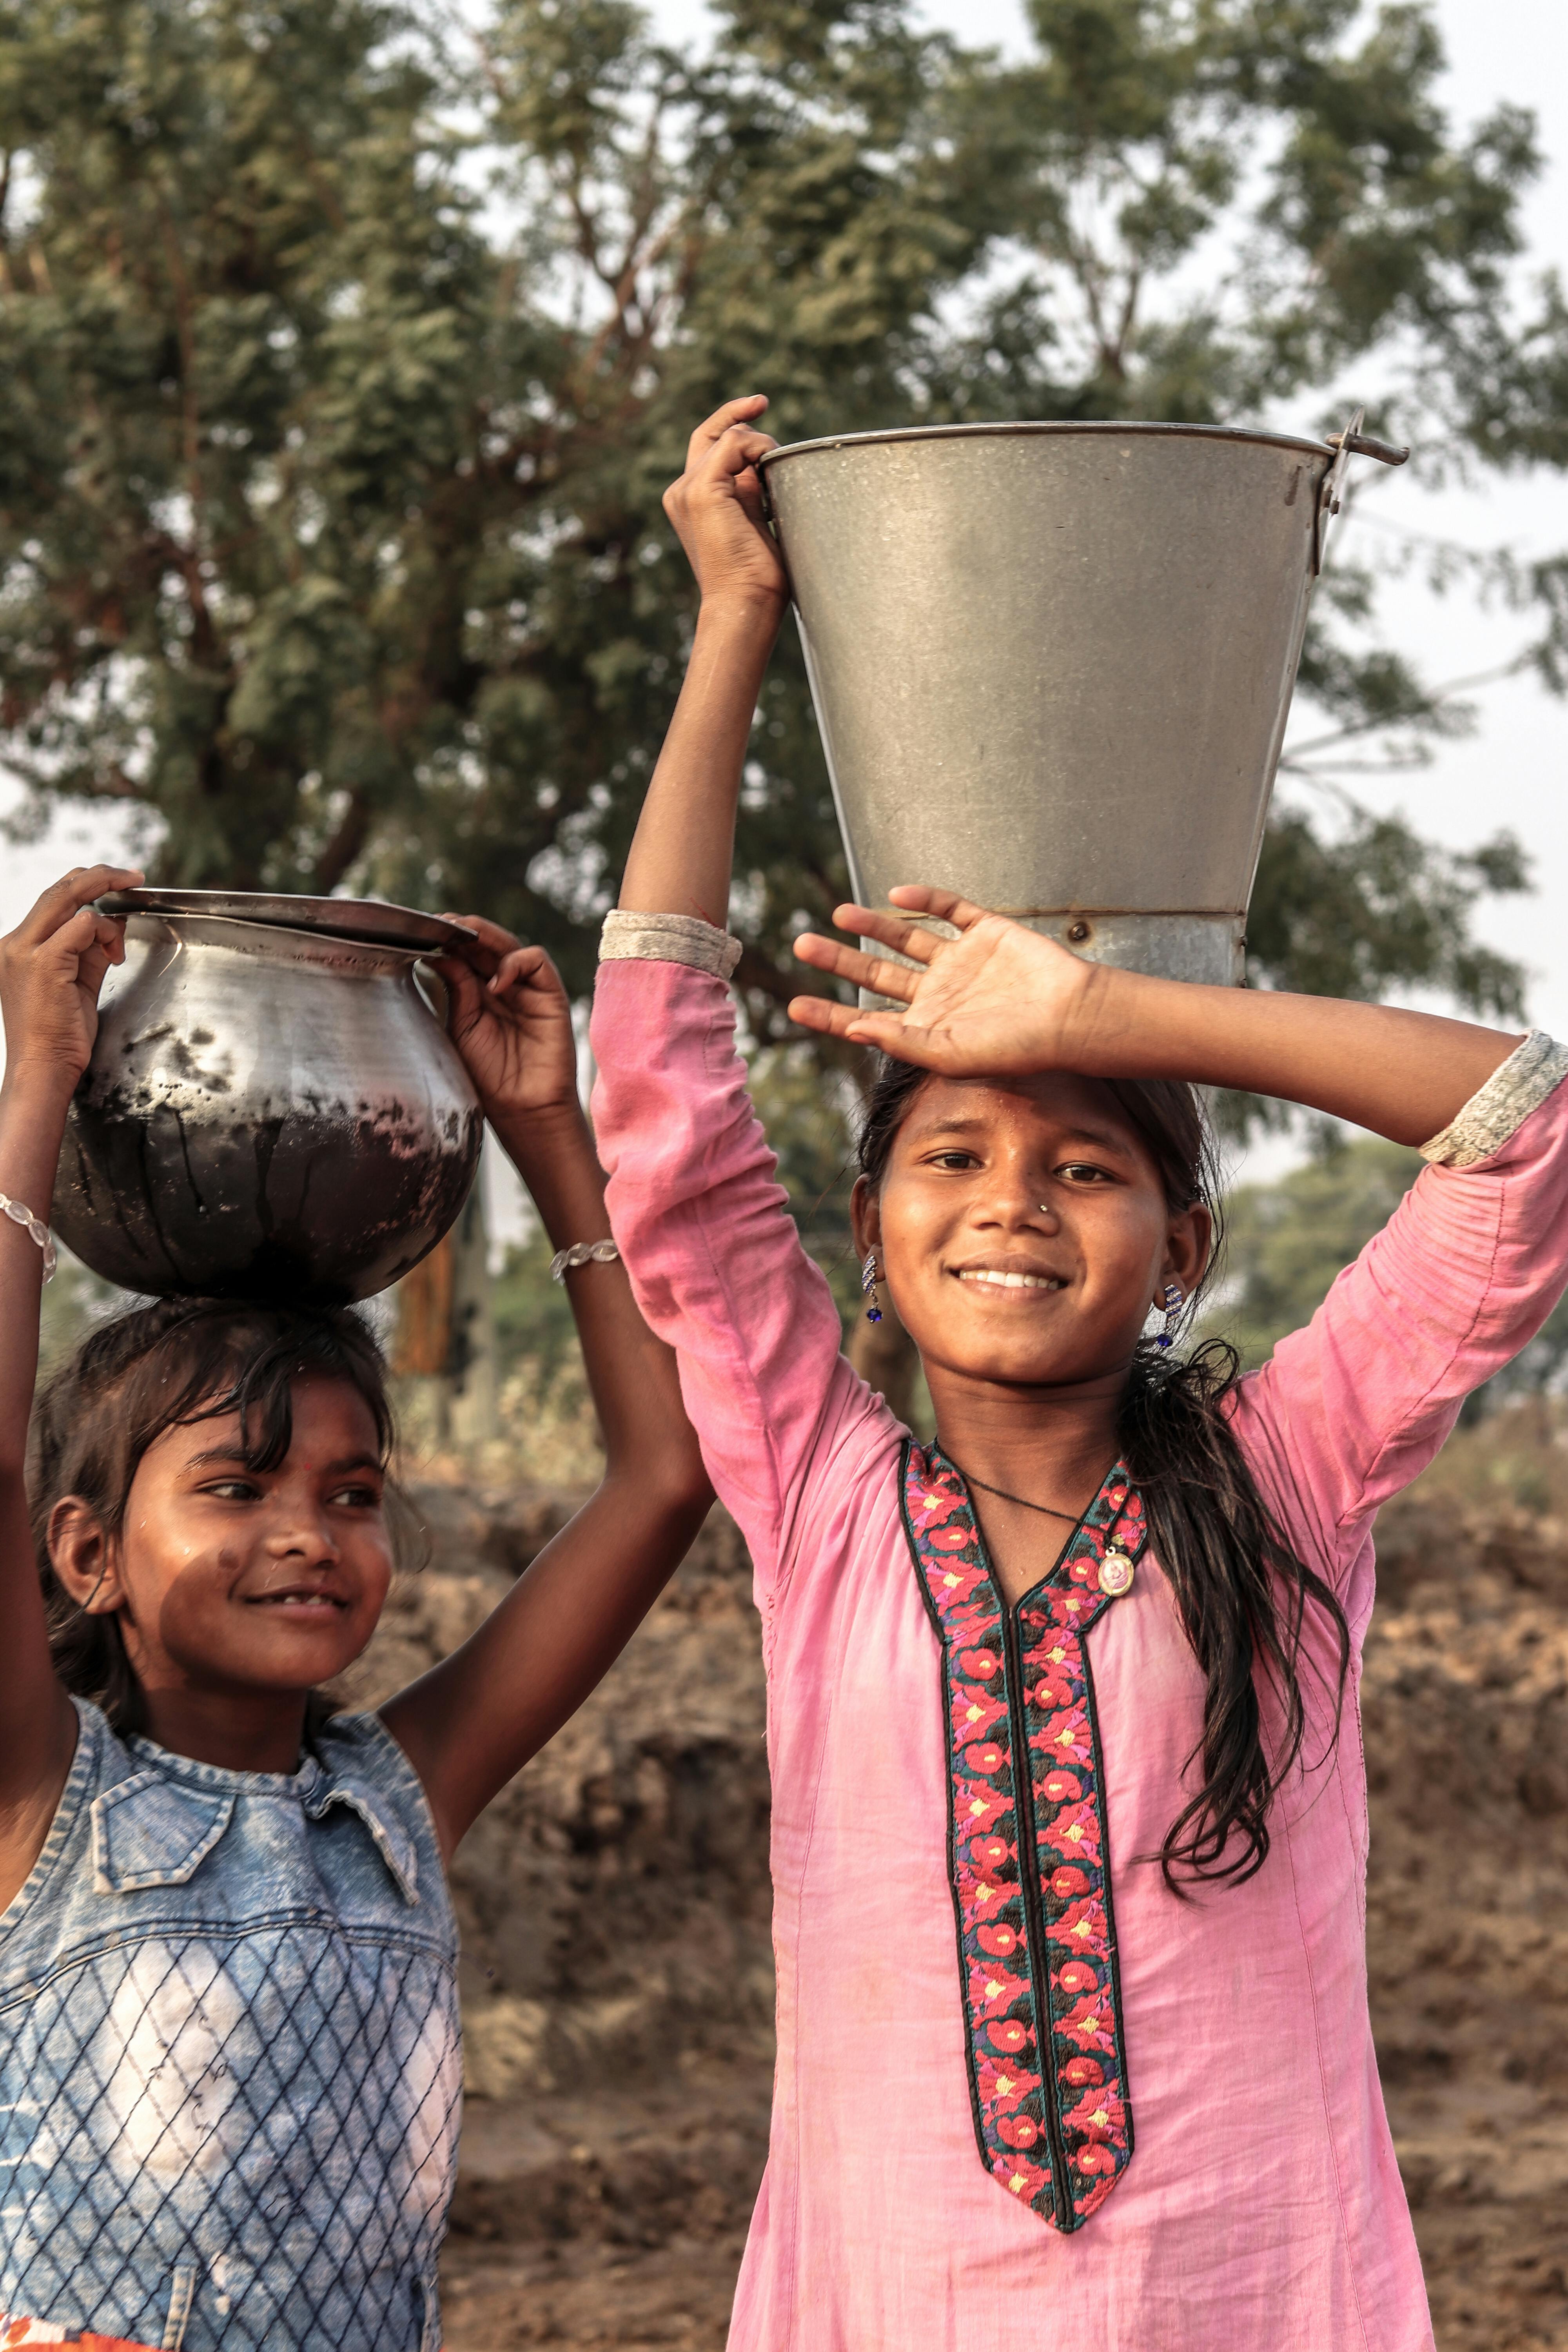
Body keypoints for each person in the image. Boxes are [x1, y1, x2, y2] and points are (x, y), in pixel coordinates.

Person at [586, 394, 1568, 2350]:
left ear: (1180, 1245)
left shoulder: (1293, 1471)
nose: (1009, 1204)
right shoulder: (824, 1494)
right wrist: (733, 627)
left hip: (1260, 2296)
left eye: (1086, 1163)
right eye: (946, 1158)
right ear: (867, 1232)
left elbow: (1525, 1128)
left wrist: (1100, 1004)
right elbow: (668, 1123)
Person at [0, 866, 711, 2352]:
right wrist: (36, 1085)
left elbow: (663, 1477)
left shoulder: (396, 1798)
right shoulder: (41, 1797)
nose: (307, 1537)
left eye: (351, 1493)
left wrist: (542, 1127)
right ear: (85, 1556)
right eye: (239, 1489)